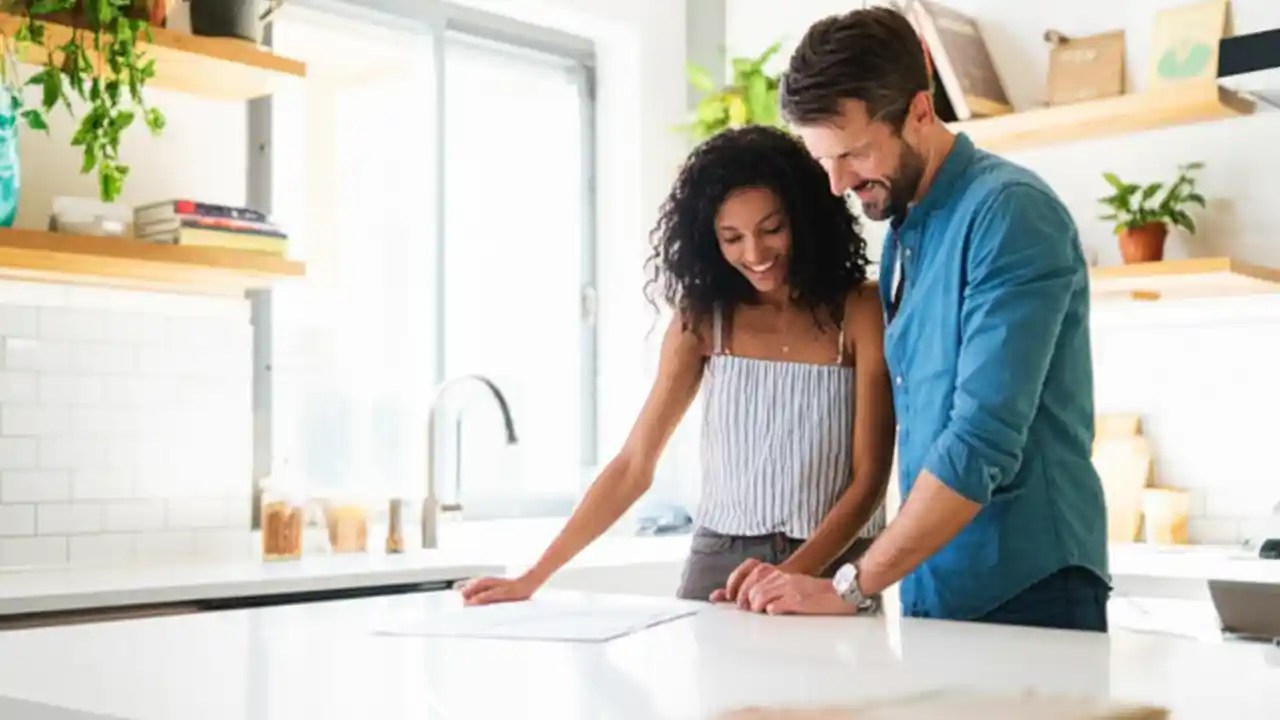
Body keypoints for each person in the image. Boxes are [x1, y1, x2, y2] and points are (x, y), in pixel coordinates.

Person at [719, 7, 1111, 631]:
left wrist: (849, 585)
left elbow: (980, 440)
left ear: (920, 113)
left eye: (853, 154)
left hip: (1030, 586)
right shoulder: (906, 229)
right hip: (936, 586)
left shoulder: (1009, 215)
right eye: (825, 161)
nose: (838, 183)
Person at [459, 125, 895, 605]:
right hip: (720, 563)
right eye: (732, 237)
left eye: (772, 229)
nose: (755, 254)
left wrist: (789, 576)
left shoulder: (860, 310)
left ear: (806, 219)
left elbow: (870, 476)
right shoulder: (704, 320)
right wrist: (532, 578)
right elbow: (634, 465)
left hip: (832, 565)